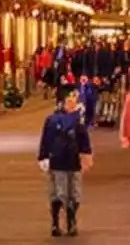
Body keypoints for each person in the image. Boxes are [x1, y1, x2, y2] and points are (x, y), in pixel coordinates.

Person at [38, 84, 94, 237]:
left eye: (74, 99)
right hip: (58, 163)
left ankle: (70, 219)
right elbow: (46, 140)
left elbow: (84, 140)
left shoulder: (78, 120)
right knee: (59, 193)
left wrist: (86, 154)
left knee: (74, 194)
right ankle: (56, 222)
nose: (73, 102)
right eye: (70, 100)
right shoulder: (54, 120)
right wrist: (43, 156)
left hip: (73, 162)